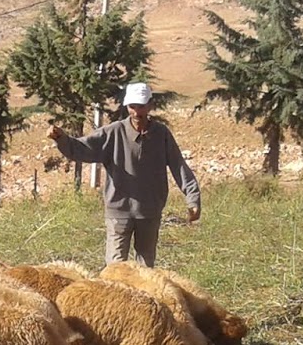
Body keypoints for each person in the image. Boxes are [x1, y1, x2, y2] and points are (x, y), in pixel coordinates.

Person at [48, 82, 201, 267]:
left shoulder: (161, 134)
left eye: (142, 106)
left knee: (146, 270)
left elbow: (179, 166)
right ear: (127, 107)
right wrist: (61, 139)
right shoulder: (113, 132)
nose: (137, 112)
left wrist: (192, 199)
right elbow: (82, 149)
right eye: (132, 107)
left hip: (149, 211)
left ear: (151, 105)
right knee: (115, 269)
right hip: (118, 211)